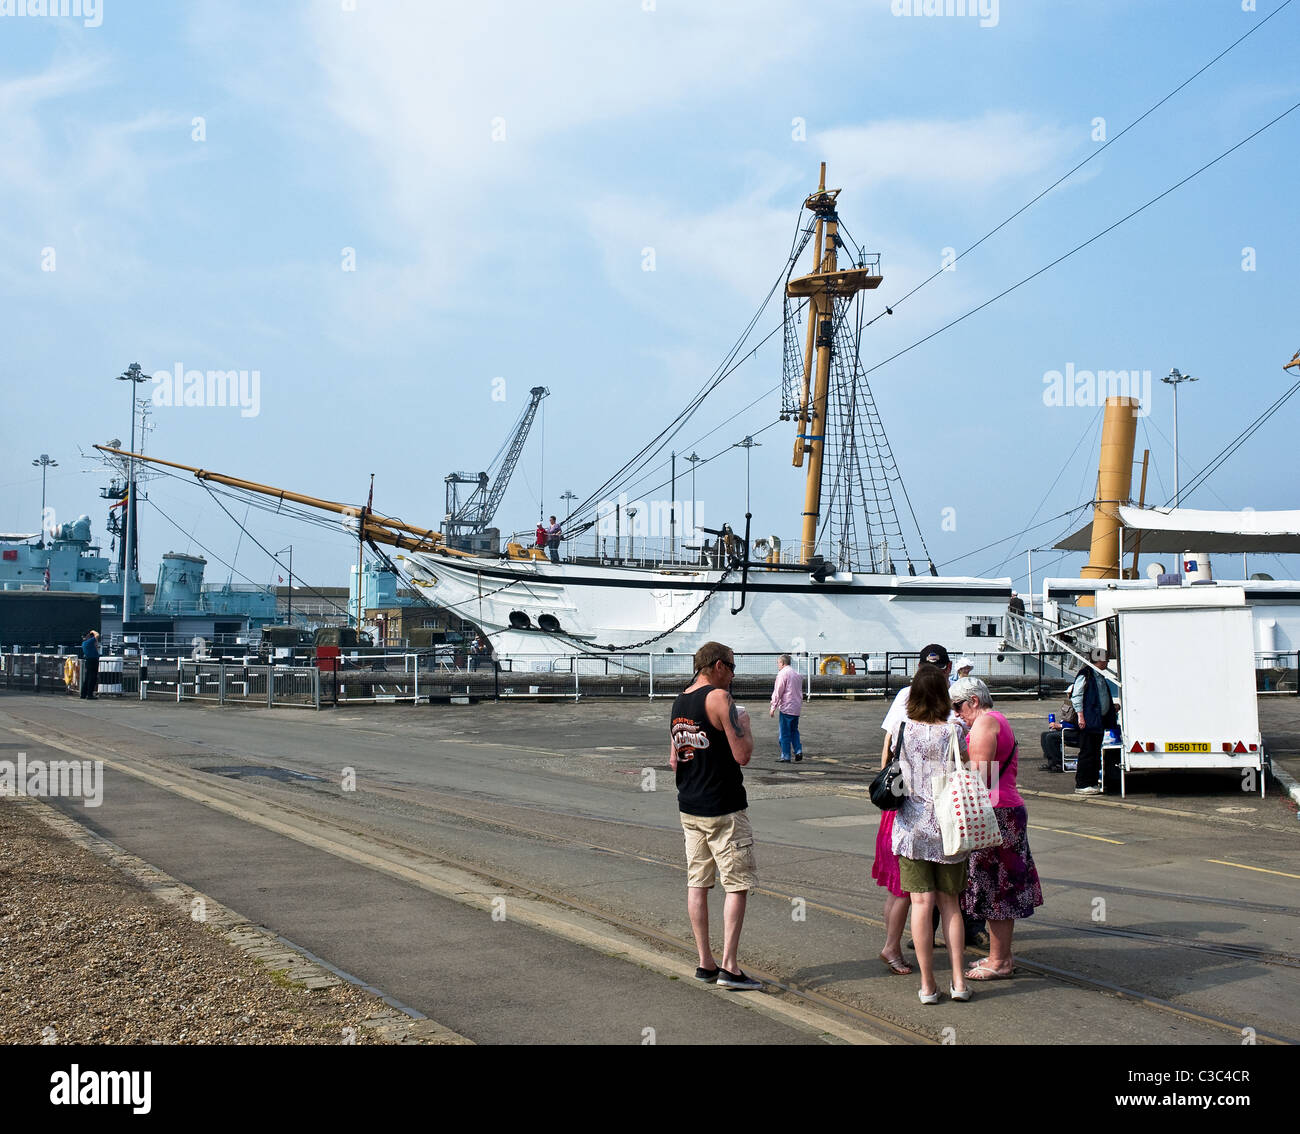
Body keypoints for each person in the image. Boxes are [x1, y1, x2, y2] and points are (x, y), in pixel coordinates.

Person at [669, 641, 760, 991]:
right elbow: (743, 756)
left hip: (690, 807)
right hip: (723, 807)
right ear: (718, 665)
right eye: (732, 667)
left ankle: (705, 962)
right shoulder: (720, 699)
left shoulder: (679, 702)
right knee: (736, 884)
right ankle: (730, 968)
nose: (734, 675)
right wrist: (746, 727)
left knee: (698, 883)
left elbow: (675, 758)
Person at [950, 677, 1044, 980]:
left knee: (995, 888)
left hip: (995, 812)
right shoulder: (998, 720)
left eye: (958, 706)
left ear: (973, 701)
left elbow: (980, 776)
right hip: (1005, 808)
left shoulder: (984, 724)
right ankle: (999, 956)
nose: (956, 713)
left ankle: (1000, 960)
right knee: (999, 886)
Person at [891, 665, 971, 1003]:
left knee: (920, 904)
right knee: (950, 904)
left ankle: (927, 985)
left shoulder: (902, 728)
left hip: (913, 826)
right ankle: (959, 982)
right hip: (949, 827)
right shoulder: (955, 729)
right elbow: (965, 765)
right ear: (943, 696)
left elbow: (894, 769)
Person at [1072, 647, 1116, 796]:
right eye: (1106, 660)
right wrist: (1081, 716)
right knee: (1087, 752)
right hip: (1089, 720)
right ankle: (1082, 783)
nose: (1107, 663)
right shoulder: (1086, 675)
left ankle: (1091, 782)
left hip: (1098, 720)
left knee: (1095, 752)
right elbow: (1076, 696)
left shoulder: (1099, 675)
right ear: (1099, 661)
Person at [768, 653, 803, 763]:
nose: (777, 665)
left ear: (782, 663)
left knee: (784, 733)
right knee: (794, 731)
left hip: (787, 707)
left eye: (778, 662)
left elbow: (778, 691)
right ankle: (798, 750)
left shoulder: (782, 674)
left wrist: (773, 706)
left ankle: (786, 756)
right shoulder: (797, 674)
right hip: (796, 707)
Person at [79, 630, 100, 700]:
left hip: (88, 661)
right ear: (87, 635)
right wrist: (93, 631)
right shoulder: (88, 642)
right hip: (93, 660)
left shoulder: (84, 643)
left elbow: (96, 646)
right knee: (92, 678)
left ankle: (83, 694)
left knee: (87, 678)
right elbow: (97, 635)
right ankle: (90, 694)